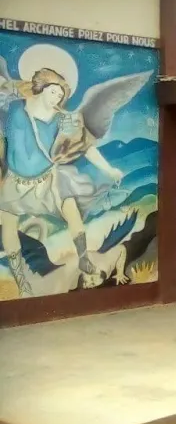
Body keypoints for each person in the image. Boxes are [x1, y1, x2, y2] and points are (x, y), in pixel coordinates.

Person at [0, 67, 124, 296]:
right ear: (42, 88)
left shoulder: (65, 120)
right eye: (54, 91)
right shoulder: (13, 108)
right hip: (14, 181)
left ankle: (84, 258)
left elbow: (85, 148)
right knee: (8, 226)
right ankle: (20, 279)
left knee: (71, 208)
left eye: (61, 95)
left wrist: (110, 170)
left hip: (48, 179)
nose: (58, 97)